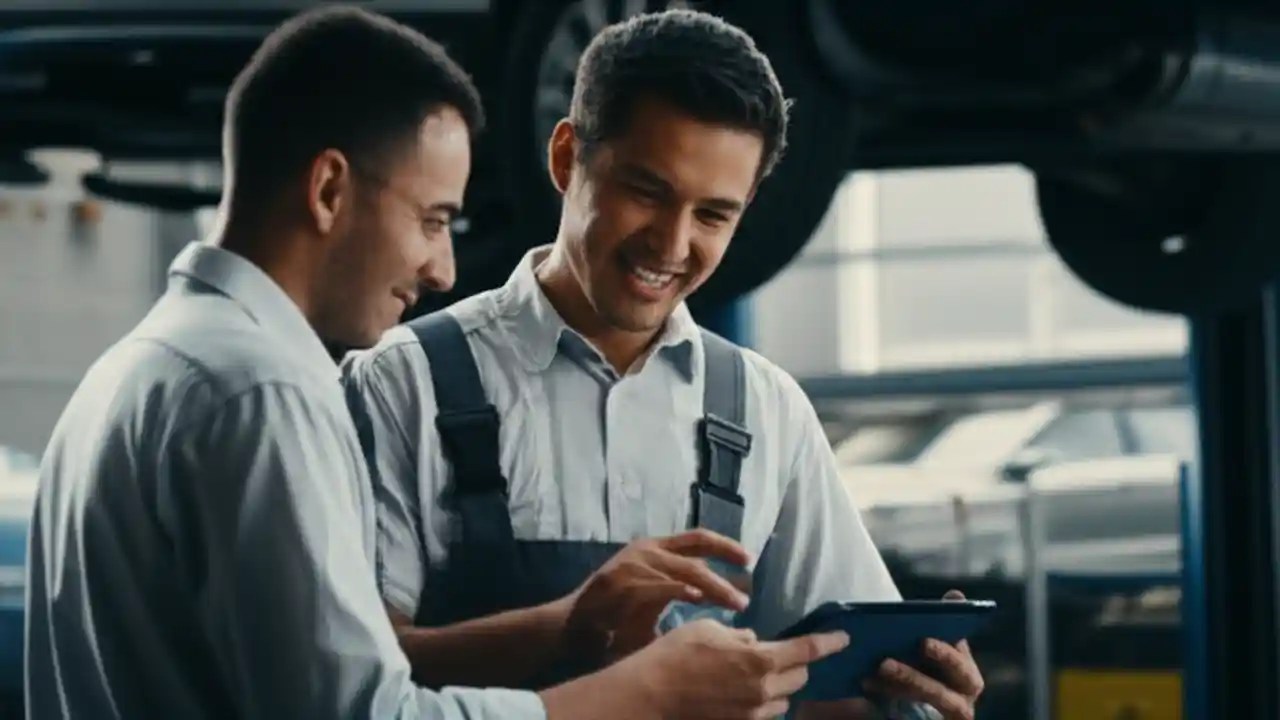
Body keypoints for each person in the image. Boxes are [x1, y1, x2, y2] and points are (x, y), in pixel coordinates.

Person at [23, 6, 850, 719]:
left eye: (713, 213)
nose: (443, 269)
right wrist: (646, 694)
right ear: (328, 191)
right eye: (432, 218)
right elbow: (368, 708)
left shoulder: (141, 368)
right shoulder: (265, 392)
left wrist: (578, 629)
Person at [342, 7, 985, 720]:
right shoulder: (404, 384)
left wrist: (911, 690)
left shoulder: (764, 410)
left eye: (713, 215)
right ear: (566, 158)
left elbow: (828, 688)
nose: (672, 245)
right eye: (646, 193)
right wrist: (571, 625)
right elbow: (349, 676)